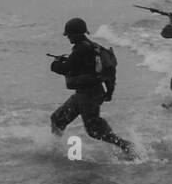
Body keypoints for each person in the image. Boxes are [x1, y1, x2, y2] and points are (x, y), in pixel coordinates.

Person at [49, 18, 135, 159]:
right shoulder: (94, 47)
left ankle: (126, 146)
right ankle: (55, 149)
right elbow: (109, 71)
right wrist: (109, 91)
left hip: (88, 95)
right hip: (88, 93)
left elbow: (66, 68)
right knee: (58, 119)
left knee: (94, 130)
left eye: (69, 34)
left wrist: (55, 64)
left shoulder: (80, 49)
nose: (68, 37)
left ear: (76, 34)